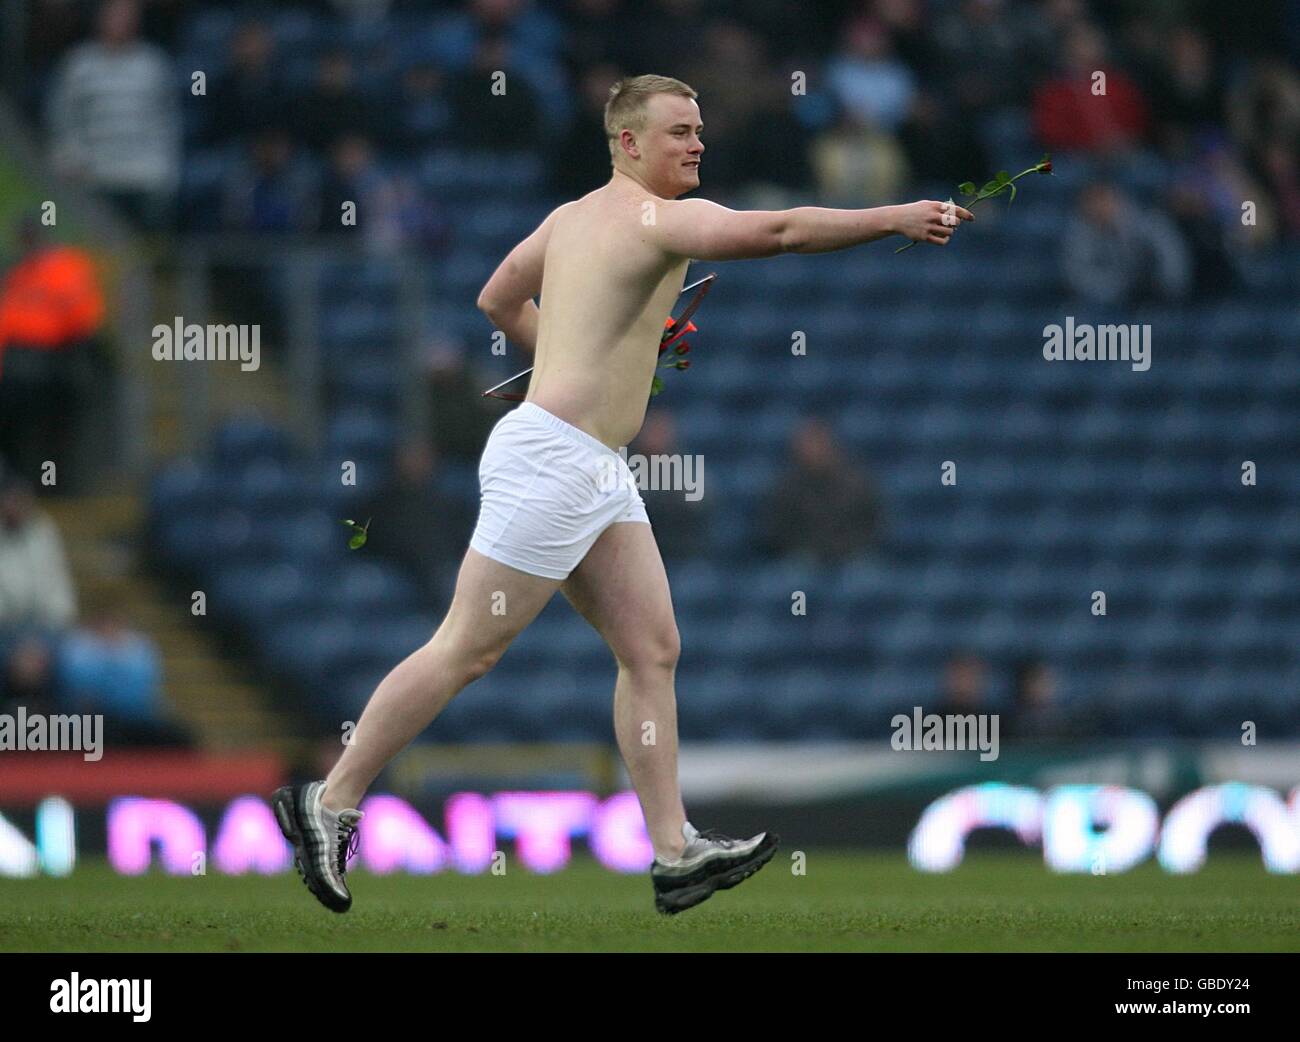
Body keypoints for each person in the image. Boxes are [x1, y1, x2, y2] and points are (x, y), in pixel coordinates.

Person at [273, 74, 972, 916]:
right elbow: (782, 228)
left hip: (591, 464)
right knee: (469, 648)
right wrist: (896, 216)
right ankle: (333, 799)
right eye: (679, 131)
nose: (698, 144)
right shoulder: (658, 216)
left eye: (700, 129)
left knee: (652, 651)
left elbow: (496, 299)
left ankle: (674, 852)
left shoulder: (570, 219)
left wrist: (579, 353)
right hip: (555, 459)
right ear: (629, 144)